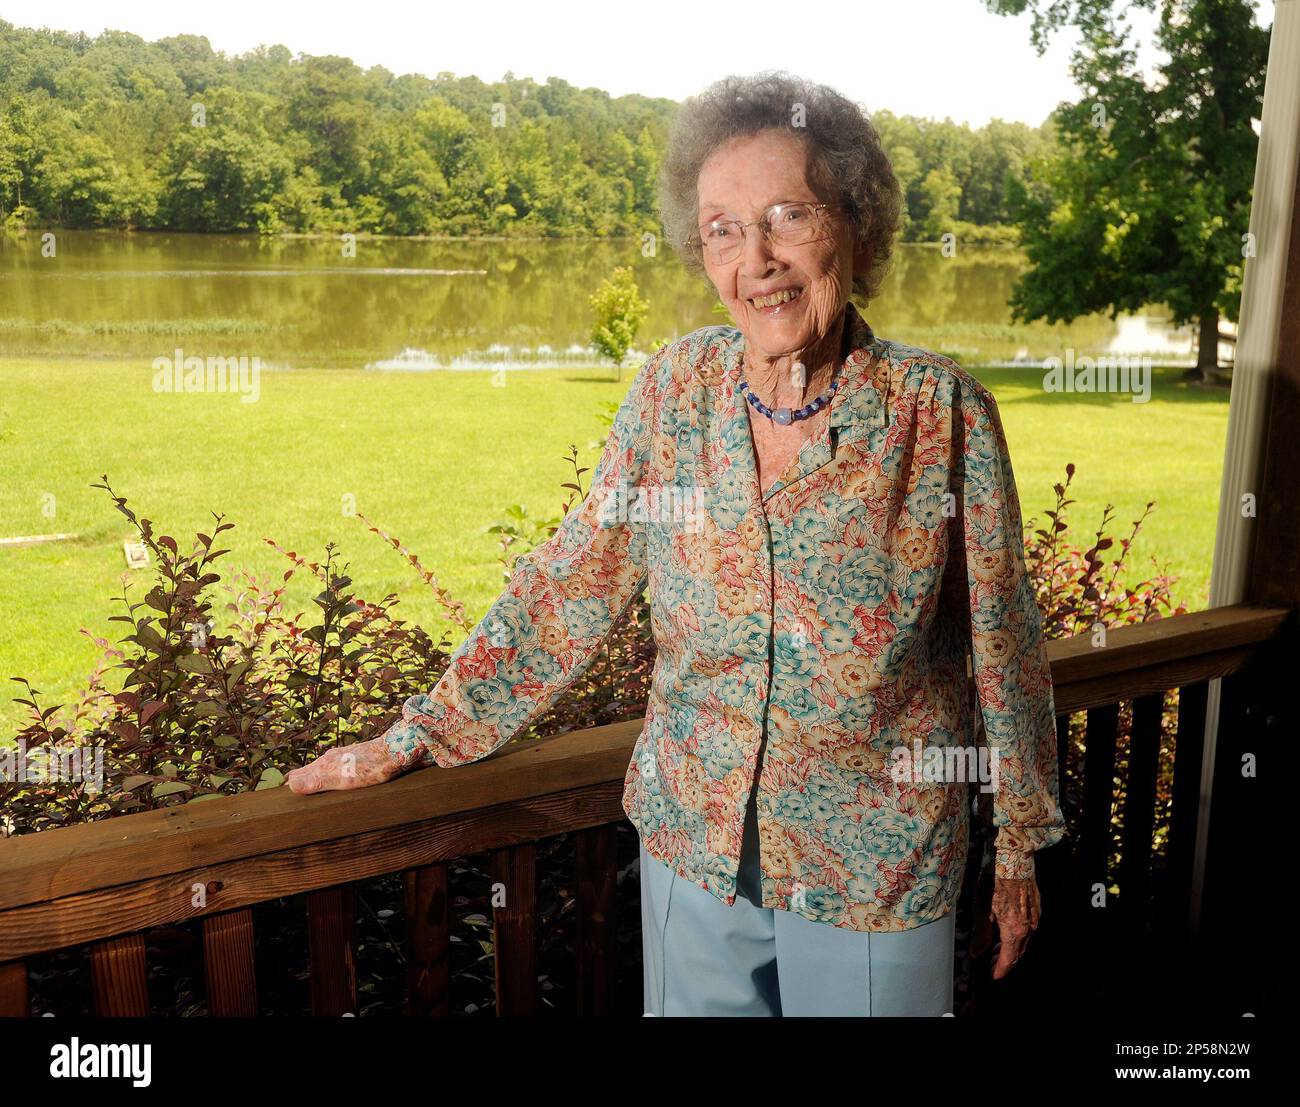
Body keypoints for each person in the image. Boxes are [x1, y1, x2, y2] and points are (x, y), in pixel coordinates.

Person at [287, 70, 1065, 1017]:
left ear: (856, 229)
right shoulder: (677, 389)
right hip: (692, 840)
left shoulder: (941, 413)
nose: (759, 258)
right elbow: (576, 578)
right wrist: (423, 731)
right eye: (723, 230)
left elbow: (1006, 639)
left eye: (789, 215)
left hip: (877, 862)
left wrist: (1019, 842)